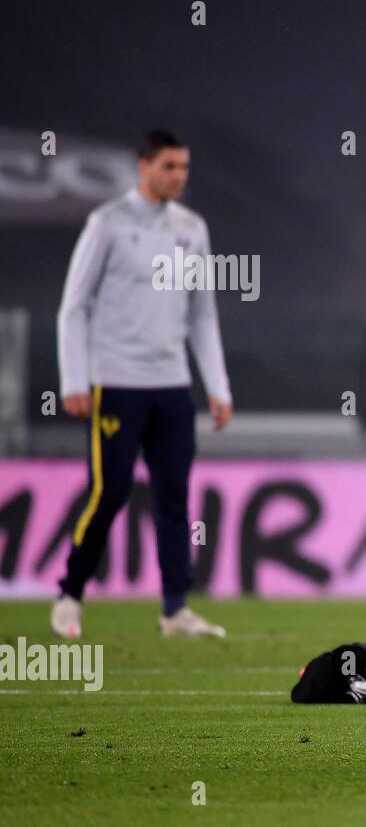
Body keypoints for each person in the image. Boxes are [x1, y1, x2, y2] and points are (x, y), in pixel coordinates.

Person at [52, 129, 233, 640]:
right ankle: (69, 595)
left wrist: (217, 386)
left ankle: (175, 609)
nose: (178, 176)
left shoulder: (192, 229)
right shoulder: (107, 223)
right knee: (109, 494)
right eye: (170, 166)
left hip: (172, 385)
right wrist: (74, 377)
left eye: (184, 168)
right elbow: (74, 305)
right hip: (117, 383)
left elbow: (202, 314)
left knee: (174, 497)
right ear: (144, 166)